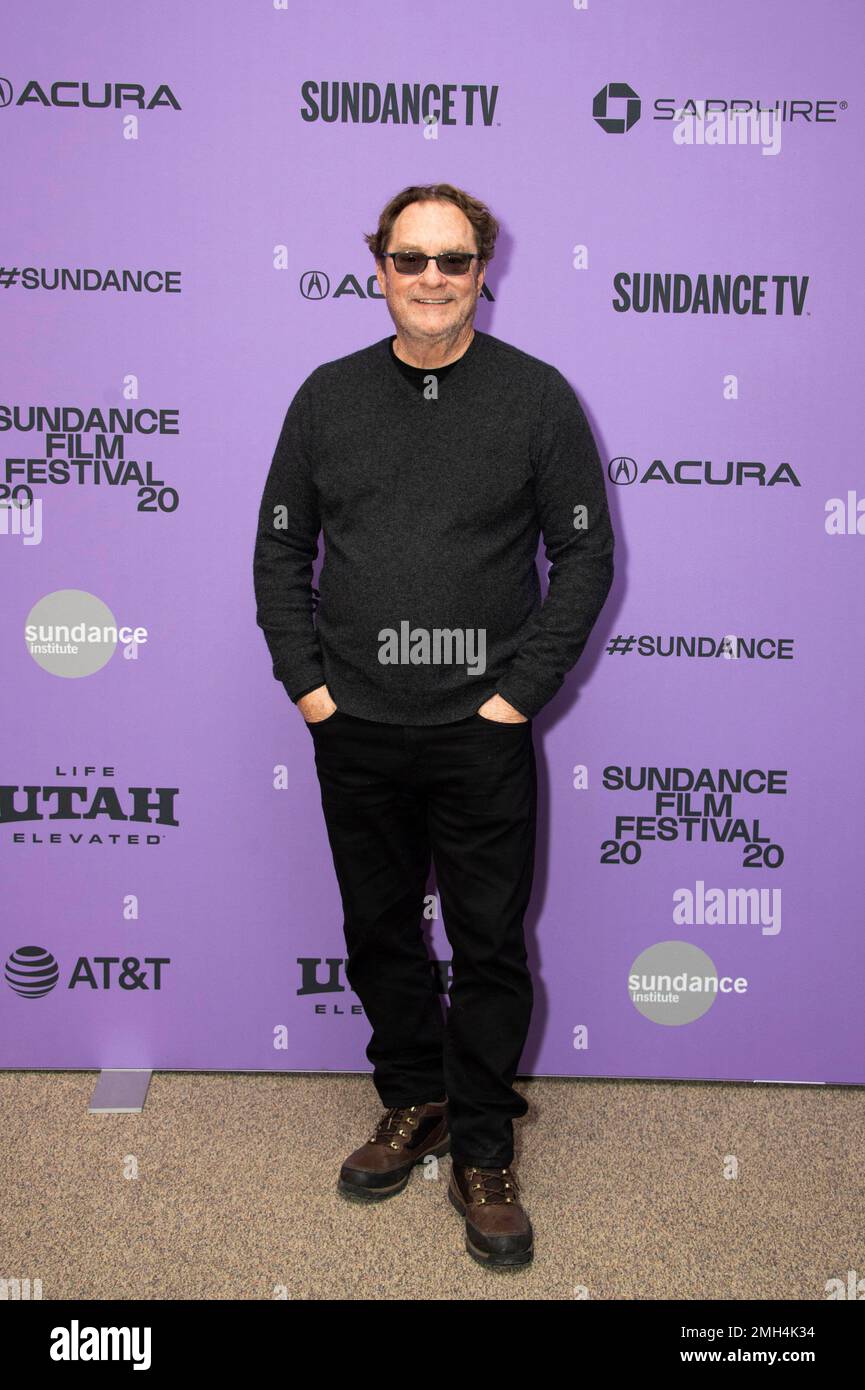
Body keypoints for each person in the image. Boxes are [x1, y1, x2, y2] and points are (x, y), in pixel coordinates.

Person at [253, 182, 615, 1268]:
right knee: (378, 930)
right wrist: (310, 688)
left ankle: (486, 1145)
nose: (430, 279)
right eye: (409, 260)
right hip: (353, 721)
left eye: (451, 261)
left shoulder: (538, 398)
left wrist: (516, 694)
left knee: (491, 941)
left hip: (480, 726)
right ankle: (414, 1098)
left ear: (481, 274)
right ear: (379, 271)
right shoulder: (325, 397)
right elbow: (280, 550)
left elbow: (585, 554)